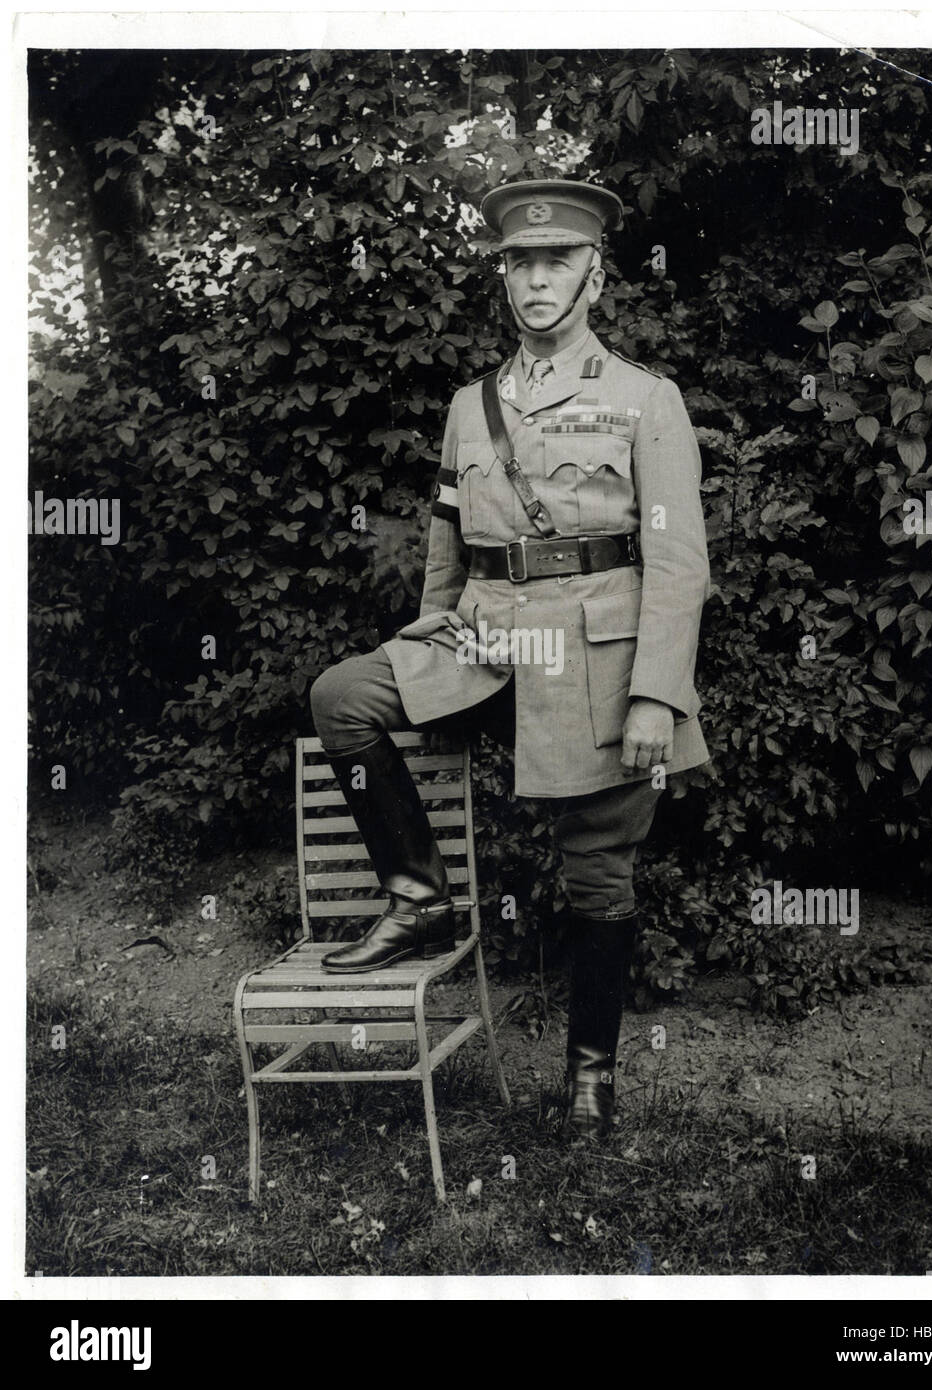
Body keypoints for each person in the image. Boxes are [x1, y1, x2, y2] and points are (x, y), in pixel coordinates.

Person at [310, 178, 711, 1139]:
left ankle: (589, 1078)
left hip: (596, 656)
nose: (535, 280)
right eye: (518, 264)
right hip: (488, 641)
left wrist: (656, 694)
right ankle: (418, 898)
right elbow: (447, 542)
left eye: (555, 262)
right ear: (503, 280)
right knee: (343, 696)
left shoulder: (642, 401)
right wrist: (425, 643)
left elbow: (677, 562)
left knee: (596, 874)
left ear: (594, 279)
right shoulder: (468, 406)